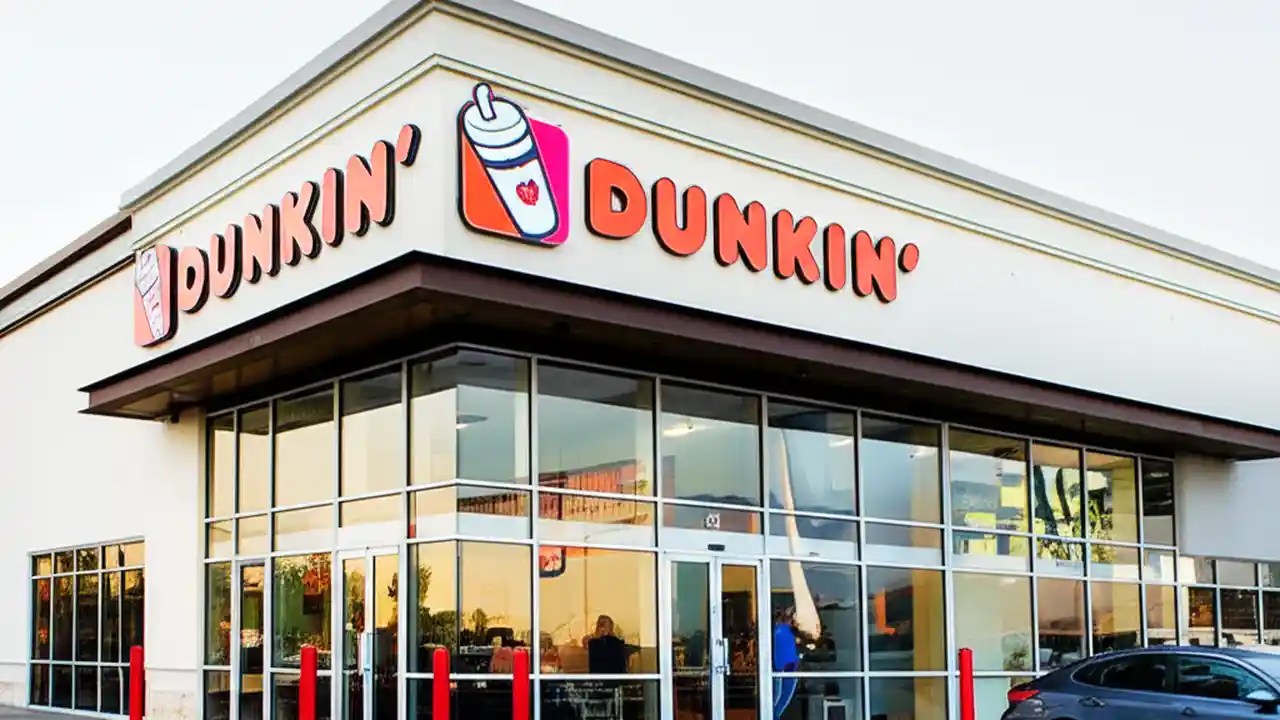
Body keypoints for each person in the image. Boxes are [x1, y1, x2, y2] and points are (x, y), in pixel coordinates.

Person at [772, 606, 800, 718]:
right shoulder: (779, 629)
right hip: (780, 670)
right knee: (777, 704)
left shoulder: (787, 630)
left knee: (778, 704)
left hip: (787, 669)